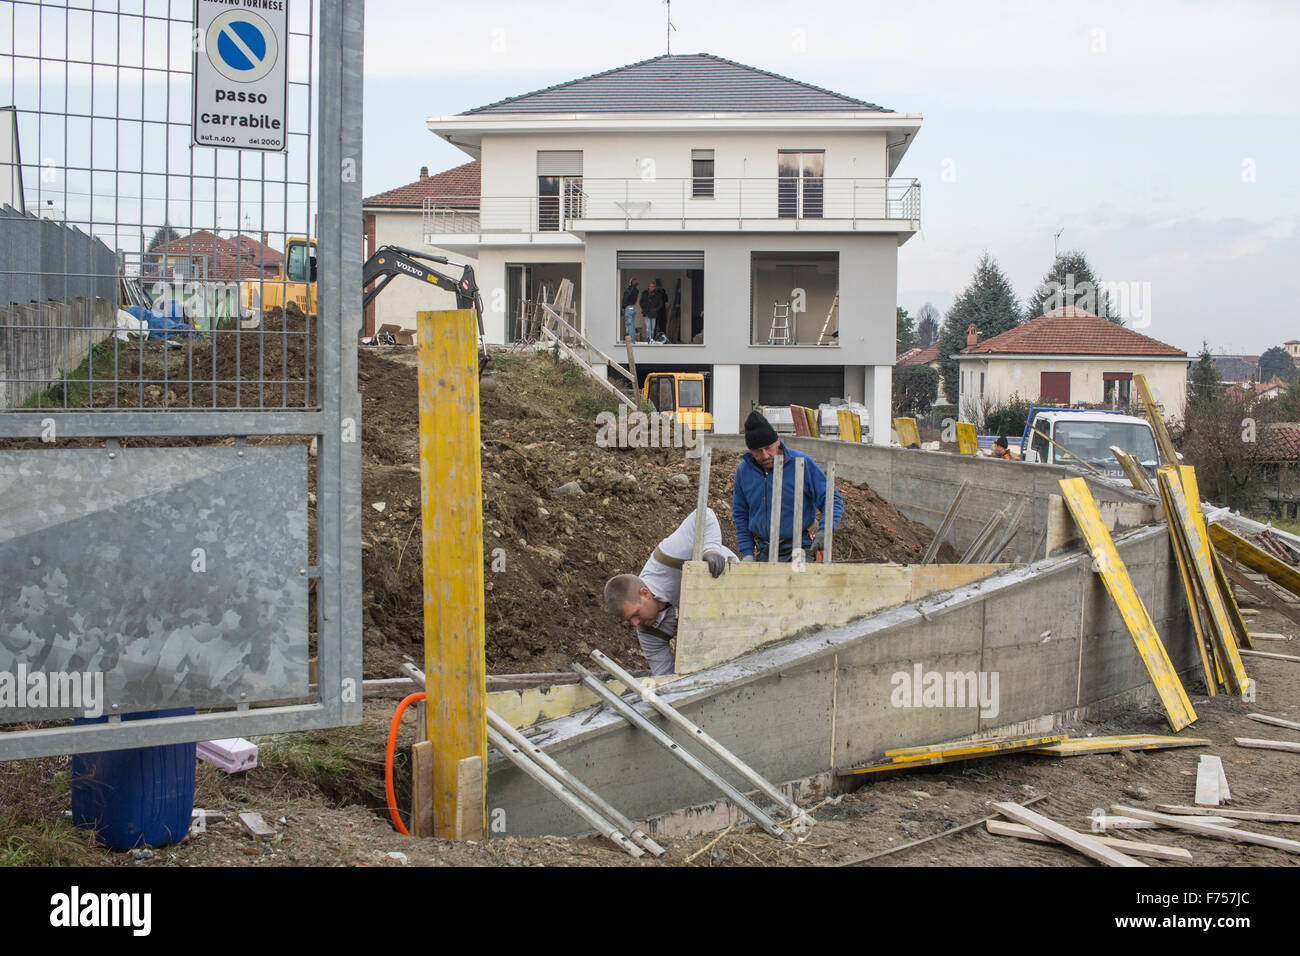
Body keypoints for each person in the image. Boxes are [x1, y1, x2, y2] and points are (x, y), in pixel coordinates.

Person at [602, 508, 736, 676]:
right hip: (709, 625)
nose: (635, 624)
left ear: (645, 593)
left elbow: (704, 514)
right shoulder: (648, 632)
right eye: (630, 620)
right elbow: (664, 677)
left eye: (635, 614)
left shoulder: (667, 557)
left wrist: (710, 549)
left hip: (735, 588)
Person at [733, 410, 843, 562]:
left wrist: (825, 531)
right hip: (765, 551)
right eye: (758, 451)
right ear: (750, 451)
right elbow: (740, 515)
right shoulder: (744, 471)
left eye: (768, 448)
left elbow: (831, 499)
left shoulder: (801, 463)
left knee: (799, 584)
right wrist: (747, 554)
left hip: (799, 550)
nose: (765, 455)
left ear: (778, 442)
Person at [639, 279, 667, 343]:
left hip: (654, 313)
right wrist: (644, 309)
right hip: (647, 313)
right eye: (650, 286)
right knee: (648, 327)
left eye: (653, 286)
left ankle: (651, 339)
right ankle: (649, 339)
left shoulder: (658, 294)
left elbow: (660, 304)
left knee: (653, 328)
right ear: (648, 287)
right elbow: (641, 302)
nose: (651, 287)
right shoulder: (645, 293)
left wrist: (655, 309)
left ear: (654, 287)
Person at [621, 277, 640, 342]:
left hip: (628, 308)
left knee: (629, 325)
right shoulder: (636, 290)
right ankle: (633, 340)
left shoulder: (629, 290)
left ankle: (631, 341)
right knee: (632, 325)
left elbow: (625, 299)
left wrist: (623, 307)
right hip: (633, 308)